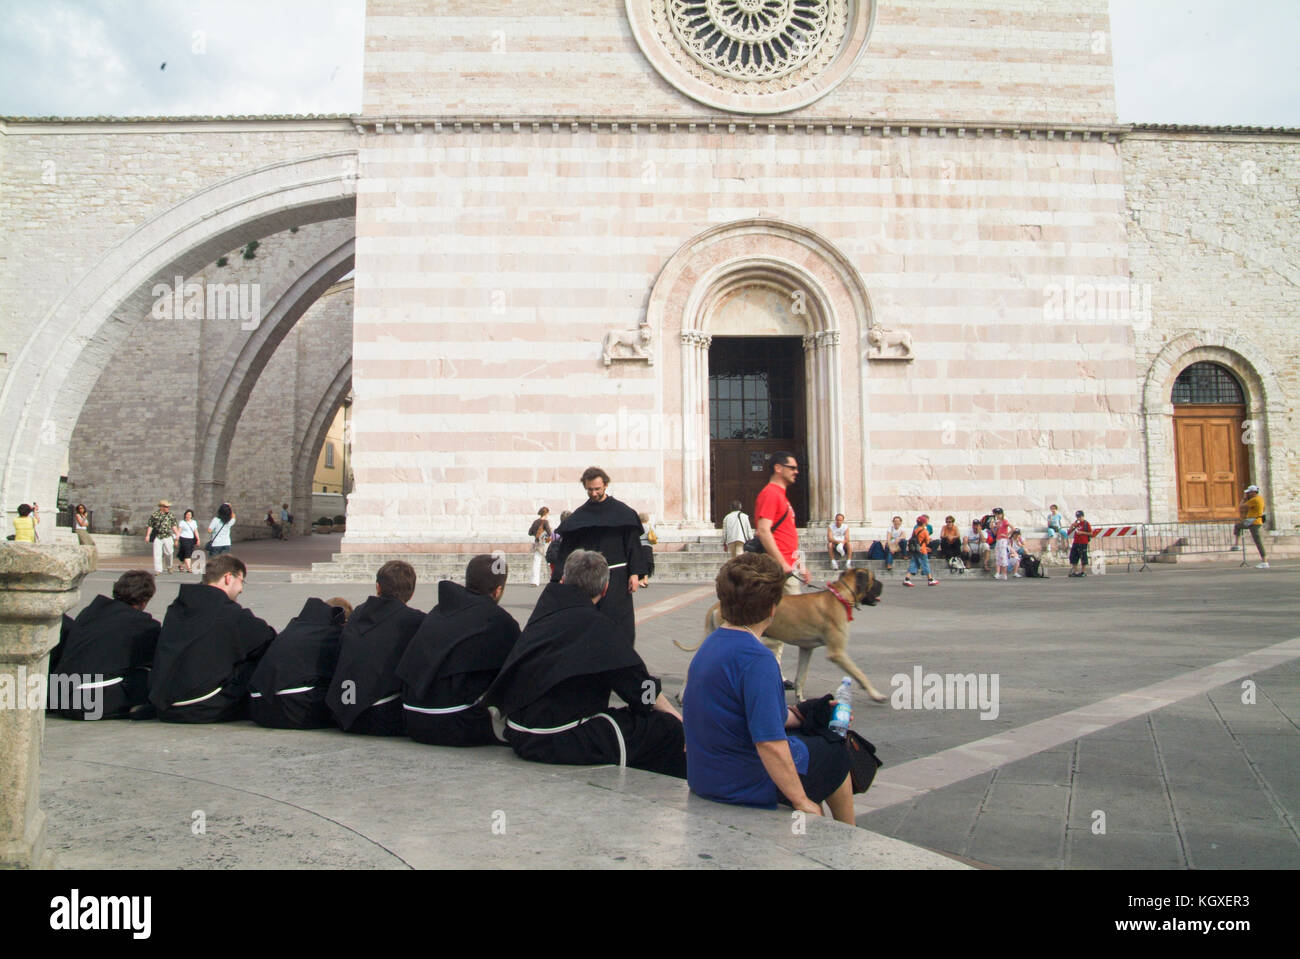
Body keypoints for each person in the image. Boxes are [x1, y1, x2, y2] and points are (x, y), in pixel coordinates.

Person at [683, 553, 855, 823]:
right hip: (742, 783)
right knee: (834, 752)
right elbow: (769, 743)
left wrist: (807, 712)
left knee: (816, 740)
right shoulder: (757, 659)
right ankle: (848, 834)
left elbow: (747, 712)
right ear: (774, 608)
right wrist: (802, 801)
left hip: (705, 775)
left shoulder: (713, 644)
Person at [483, 550, 686, 778]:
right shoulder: (599, 627)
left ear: (563, 580)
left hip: (520, 732)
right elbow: (639, 688)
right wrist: (674, 716)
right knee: (665, 728)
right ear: (605, 589)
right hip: (558, 738)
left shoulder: (543, 614)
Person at [398, 555, 521, 747]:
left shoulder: (439, 610)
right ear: (498, 591)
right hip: (454, 723)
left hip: (412, 718)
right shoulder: (500, 621)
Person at [149, 554, 276, 723]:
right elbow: (268, 639)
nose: (241, 589)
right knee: (259, 660)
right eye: (241, 582)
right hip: (204, 706)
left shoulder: (176, 607)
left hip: (165, 704)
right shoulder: (230, 613)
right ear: (228, 578)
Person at [326, 560, 425, 735]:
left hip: (341, 710)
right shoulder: (414, 620)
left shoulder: (357, 613)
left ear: (378, 587)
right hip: (380, 716)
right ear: (411, 592)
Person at [551, 467, 646, 644]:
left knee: (619, 621)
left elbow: (633, 545)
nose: (594, 493)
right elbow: (567, 548)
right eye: (590, 490)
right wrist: (559, 576)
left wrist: (635, 573)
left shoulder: (623, 513)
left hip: (617, 577)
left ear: (605, 485)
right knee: (589, 621)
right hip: (588, 578)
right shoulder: (580, 516)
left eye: (597, 489)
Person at [48, 571, 160, 721]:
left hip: (57, 695)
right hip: (84, 704)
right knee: (145, 676)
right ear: (145, 600)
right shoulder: (143, 625)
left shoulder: (90, 612)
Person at [248, 596, 353, 729]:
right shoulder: (331, 634)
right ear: (343, 621)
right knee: (347, 684)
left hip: (258, 707)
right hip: (294, 711)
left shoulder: (295, 626)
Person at [1232, 485, 1268, 568]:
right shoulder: (1260, 499)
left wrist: (1244, 498)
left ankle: (1264, 561)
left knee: (1258, 541)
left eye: (1248, 492)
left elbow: (1241, 506)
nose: (1247, 494)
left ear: (1253, 493)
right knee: (1238, 526)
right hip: (1255, 521)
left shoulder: (1254, 500)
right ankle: (1236, 544)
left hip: (1253, 522)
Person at [903, 514, 939, 587]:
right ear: (924, 523)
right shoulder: (925, 531)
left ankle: (907, 578)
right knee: (925, 563)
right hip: (922, 550)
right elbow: (928, 541)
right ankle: (930, 579)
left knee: (914, 563)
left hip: (915, 549)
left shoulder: (915, 530)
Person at [145, 499, 179, 575]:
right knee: (157, 554)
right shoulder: (155, 515)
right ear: (161, 507)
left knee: (169, 552)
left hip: (167, 536)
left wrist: (177, 534)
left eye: (168, 507)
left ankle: (169, 566)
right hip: (158, 536)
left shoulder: (170, 515)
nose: (168, 508)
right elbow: (150, 526)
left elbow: (174, 525)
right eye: (166, 506)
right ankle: (158, 570)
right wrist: (148, 535)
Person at [528, 507, 552, 587]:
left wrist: (536, 534)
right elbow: (550, 533)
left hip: (537, 544)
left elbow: (530, 532)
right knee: (549, 562)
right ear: (546, 513)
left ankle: (534, 581)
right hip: (544, 544)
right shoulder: (545, 522)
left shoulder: (535, 522)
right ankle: (552, 579)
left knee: (536, 562)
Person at [1067, 510, 1093, 578]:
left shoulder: (1086, 523)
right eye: (1077, 517)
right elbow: (1069, 532)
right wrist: (1072, 525)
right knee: (1073, 557)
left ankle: (1083, 571)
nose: (1078, 518)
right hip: (1076, 542)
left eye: (1080, 517)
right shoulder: (1077, 523)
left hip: (1083, 542)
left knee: (1083, 557)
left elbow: (1091, 533)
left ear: (1082, 516)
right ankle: (1075, 571)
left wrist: (1082, 532)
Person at [991, 507, 1013, 580]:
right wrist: (993, 528)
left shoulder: (1005, 521)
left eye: (998, 514)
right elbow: (995, 533)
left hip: (1003, 540)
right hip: (998, 539)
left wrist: (1006, 535)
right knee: (998, 555)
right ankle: (998, 573)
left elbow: (1012, 528)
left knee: (1003, 556)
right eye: (996, 514)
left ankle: (1004, 573)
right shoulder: (997, 522)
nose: (997, 516)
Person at [638, 511, 656, 587]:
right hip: (648, 546)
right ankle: (645, 580)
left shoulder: (637, 527)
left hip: (639, 546)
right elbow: (656, 535)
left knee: (640, 563)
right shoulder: (650, 527)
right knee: (648, 563)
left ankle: (642, 580)